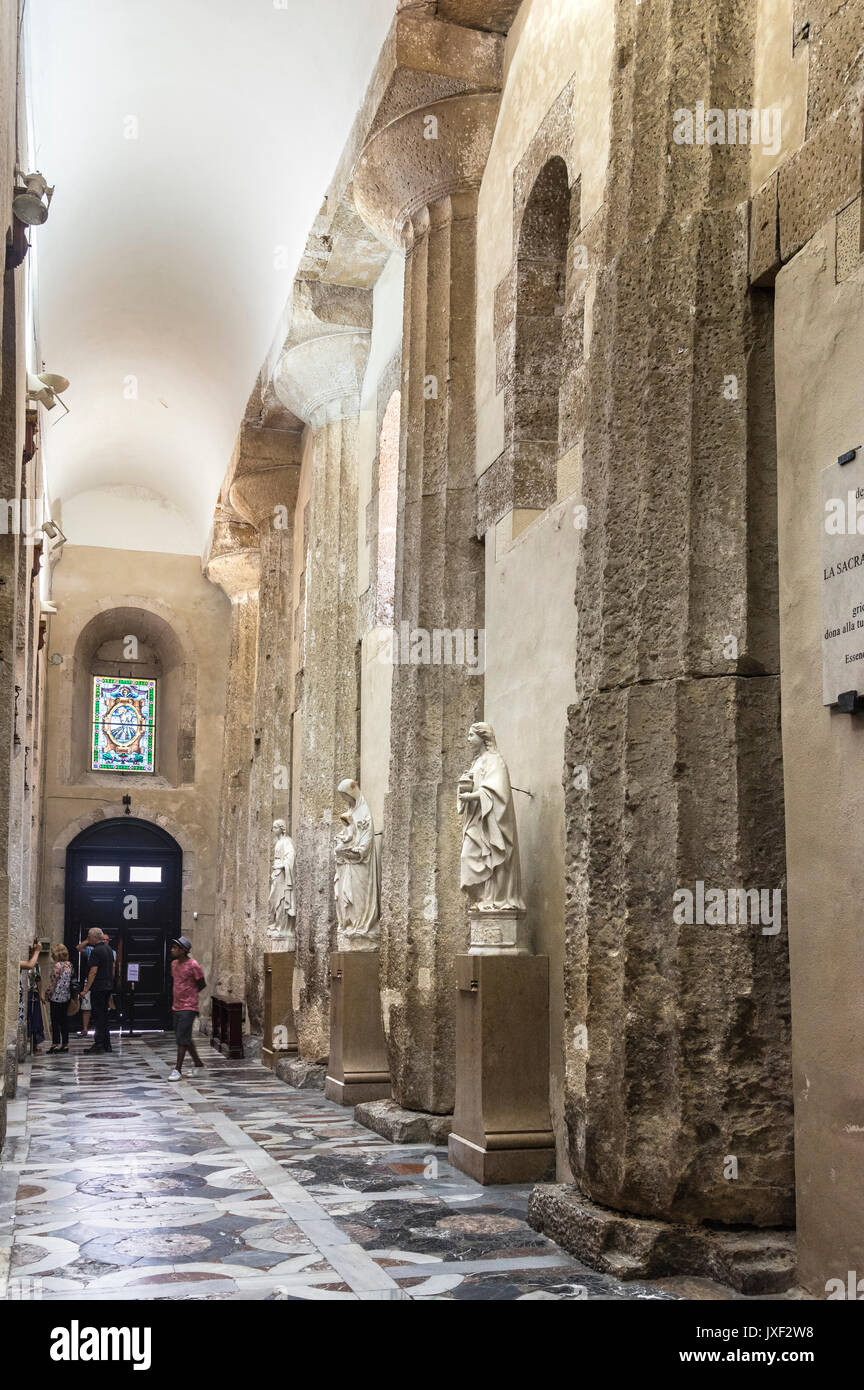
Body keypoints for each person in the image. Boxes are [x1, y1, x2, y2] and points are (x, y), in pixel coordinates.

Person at [168, 936, 205, 1080]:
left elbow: (201, 983)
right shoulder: (174, 964)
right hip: (176, 1005)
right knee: (184, 1037)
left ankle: (177, 1069)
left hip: (189, 1006)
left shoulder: (193, 965)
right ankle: (198, 1063)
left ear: (183, 951)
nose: (172, 950)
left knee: (182, 1038)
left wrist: (191, 995)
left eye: (175, 948)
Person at [80, 928, 116, 1054]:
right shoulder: (109, 949)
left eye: (89, 936)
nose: (88, 938)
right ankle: (107, 1044)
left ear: (94, 937)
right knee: (104, 1016)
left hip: (99, 987)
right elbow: (112, 968)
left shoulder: (96, 951)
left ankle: (99, 1044)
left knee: (99, 1016)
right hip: (107, 986)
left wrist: (85, 989)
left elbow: (93, 971)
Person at [45, 944, 73, 1053]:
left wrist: (48, 993)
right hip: (66, 996)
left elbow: (53, 982)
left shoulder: (57, 966)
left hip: (56, 996)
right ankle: (65, 1044)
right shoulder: (69, 965)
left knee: (55, 1020)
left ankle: (55, 1044)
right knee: (64, 1020)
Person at [19, 939, 43, 1053]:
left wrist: (41, 993)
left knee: (35, 1018)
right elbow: (29, 965)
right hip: (25, 992)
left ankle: (35, 1042)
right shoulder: (26, 962)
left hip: (31, 992)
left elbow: (38, 979)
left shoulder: (36, 965)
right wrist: (38, 951)